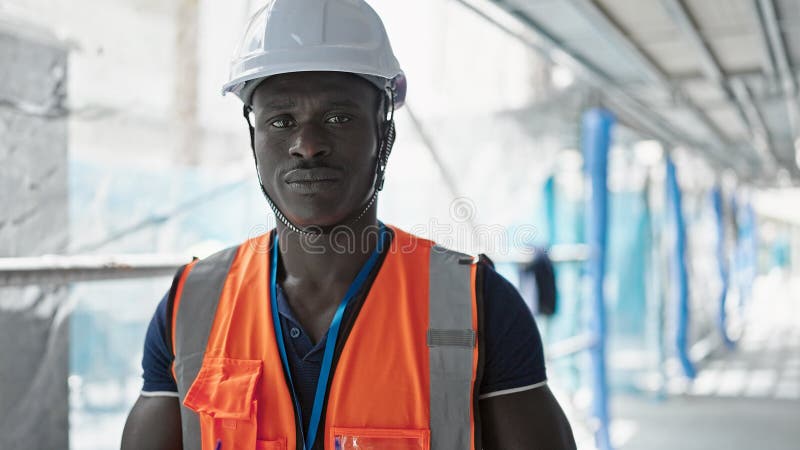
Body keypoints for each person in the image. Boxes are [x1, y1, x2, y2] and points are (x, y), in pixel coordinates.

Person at [121, 0, 576, 449]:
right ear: (254, 139)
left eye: (338, 118)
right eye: (281, 120)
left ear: (385, 133)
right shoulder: (192, 305)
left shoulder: (478, 306)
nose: (307, 144)